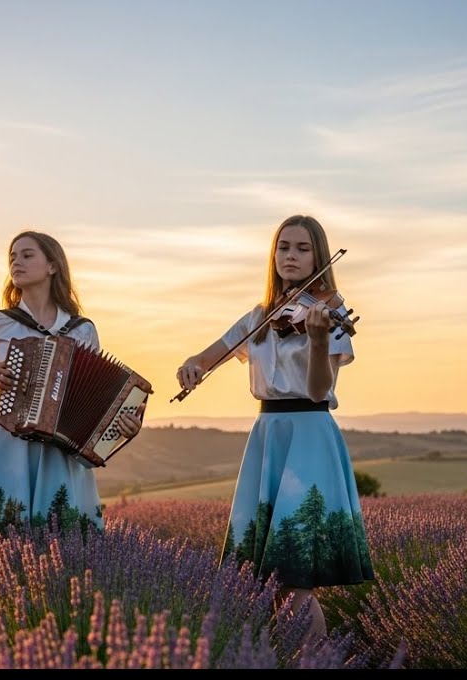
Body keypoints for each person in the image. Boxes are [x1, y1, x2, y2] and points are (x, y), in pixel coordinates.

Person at [174, 214, 374, 648]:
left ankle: (317, 659)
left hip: (308, 435)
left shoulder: (328, 315)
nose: (291, 256)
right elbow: (207, 356)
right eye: (284, 247)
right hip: (267, 434)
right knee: (266, 580)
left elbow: (319, 390)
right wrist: (191, 366)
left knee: (295, 574)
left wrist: (319, 341)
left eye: (303, 249)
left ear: (319, 257)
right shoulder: (259, 318)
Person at [0, 230, 145, 547]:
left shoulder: (82, 329)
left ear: (52, 266)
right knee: (2, 544)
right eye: (12, 257)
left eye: (27, 255)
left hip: (62, 454)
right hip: (11, 447)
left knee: (68, 551)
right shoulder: (0, 322)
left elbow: (99, 401)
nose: (16, 262)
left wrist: (123, 427)